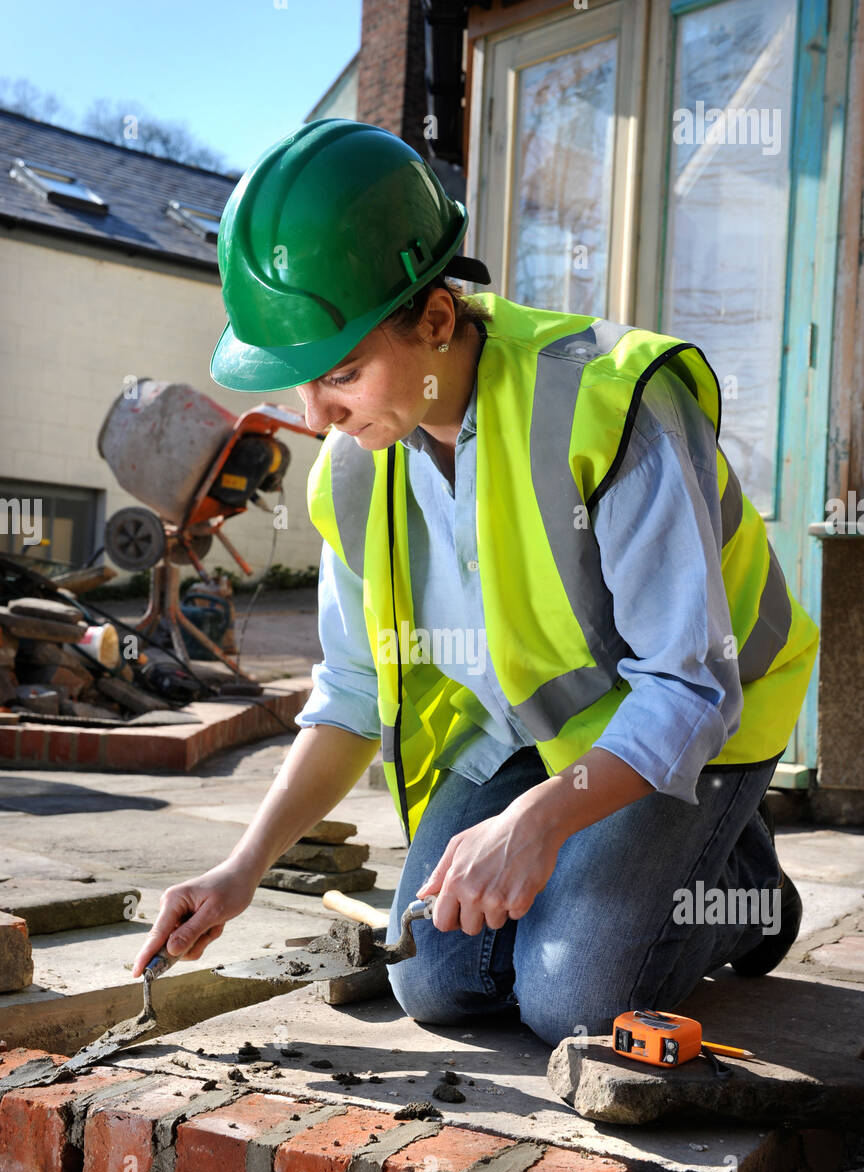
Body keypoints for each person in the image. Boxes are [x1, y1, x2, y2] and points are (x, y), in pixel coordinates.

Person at [133, 119, 819, 1049]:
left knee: (571, 995)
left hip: (695, 720)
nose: (316, 415)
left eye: (340, 374)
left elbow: (689, 685)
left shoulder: (609, 403)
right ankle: (622, 865)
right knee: (436, 978)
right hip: (530, 733)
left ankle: (745, 894)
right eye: (299, 383)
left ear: (439, 320)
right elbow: (350, 697)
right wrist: (242, 866)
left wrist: (540, 823)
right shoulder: (353, 468)